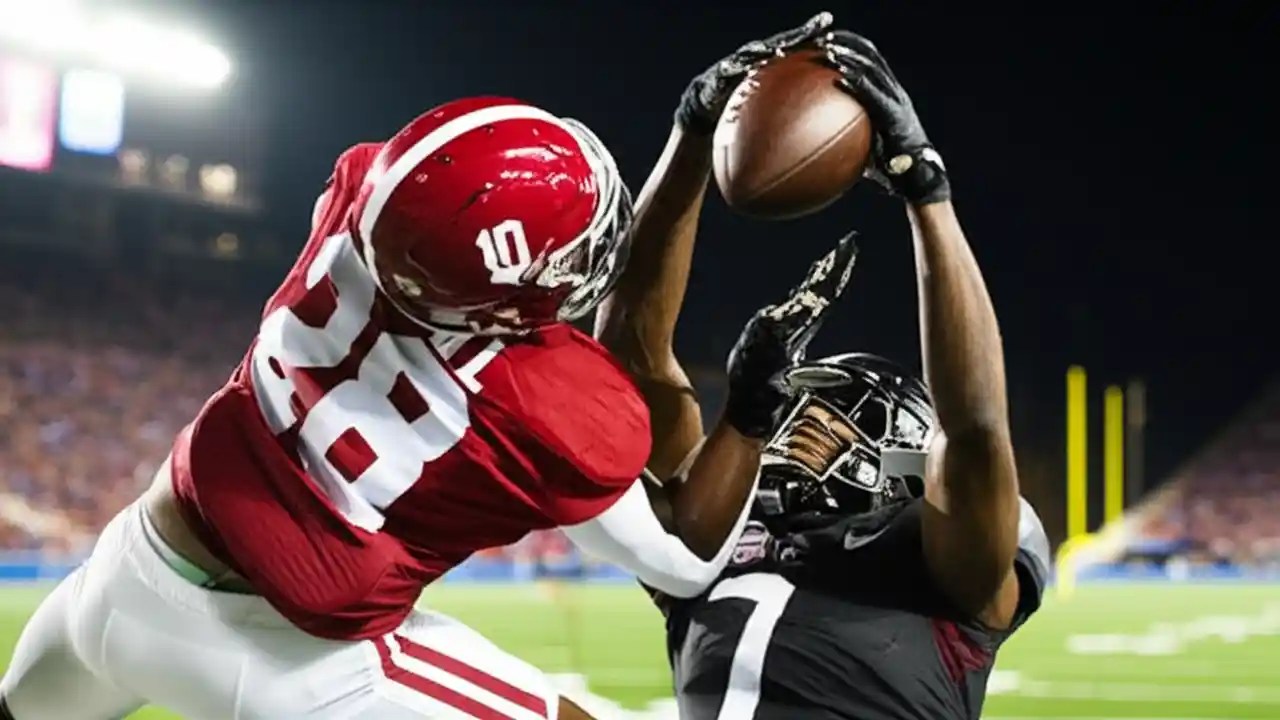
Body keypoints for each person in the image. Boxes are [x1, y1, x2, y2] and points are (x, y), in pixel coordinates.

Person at [0, 16, 835, 717]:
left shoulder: (354, 211)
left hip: (123, 574)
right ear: (499, 303)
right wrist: (750, 412)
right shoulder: (541, 405)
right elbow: (682, 560)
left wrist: (692, 133)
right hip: (288, 662)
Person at [595, 27, 1049, 720]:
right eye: (797, 407)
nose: (801, 424)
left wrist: (927, 195)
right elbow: (632, 358)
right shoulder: (707, 534)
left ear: (907, 458)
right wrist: (691, 136)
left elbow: (974, 430)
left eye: (844, 413)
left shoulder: (940, 569)